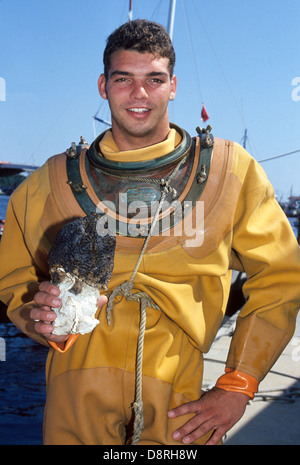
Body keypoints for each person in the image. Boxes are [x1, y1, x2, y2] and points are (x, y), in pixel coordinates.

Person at [0, 19, 299, 446]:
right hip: (75, 390)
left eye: (154, 79)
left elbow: (282, 278)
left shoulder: (230, 173)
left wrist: (238, 384)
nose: (139, 94)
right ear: (103, 85)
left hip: (180, 397)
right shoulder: (48, 183)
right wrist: (39, 317)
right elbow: (12, 279)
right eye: (124, 79)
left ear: (173, 86)